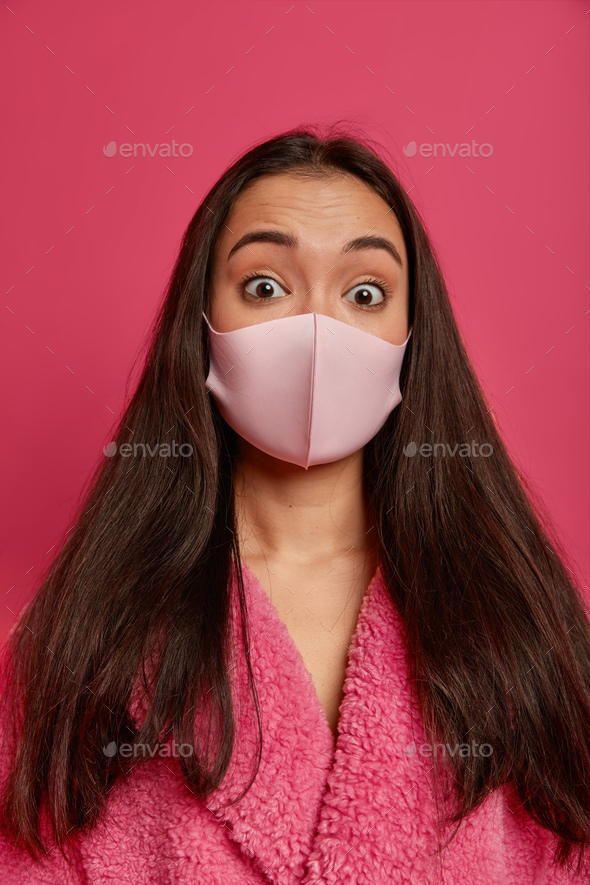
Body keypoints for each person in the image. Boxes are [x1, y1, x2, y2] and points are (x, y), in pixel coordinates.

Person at [0, 125, 589, 884]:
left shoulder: (518, 626)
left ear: (412, 336)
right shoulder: (83, 638)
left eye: (365, 292)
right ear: (202, 325)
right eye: (265, 286)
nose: (318, 328)